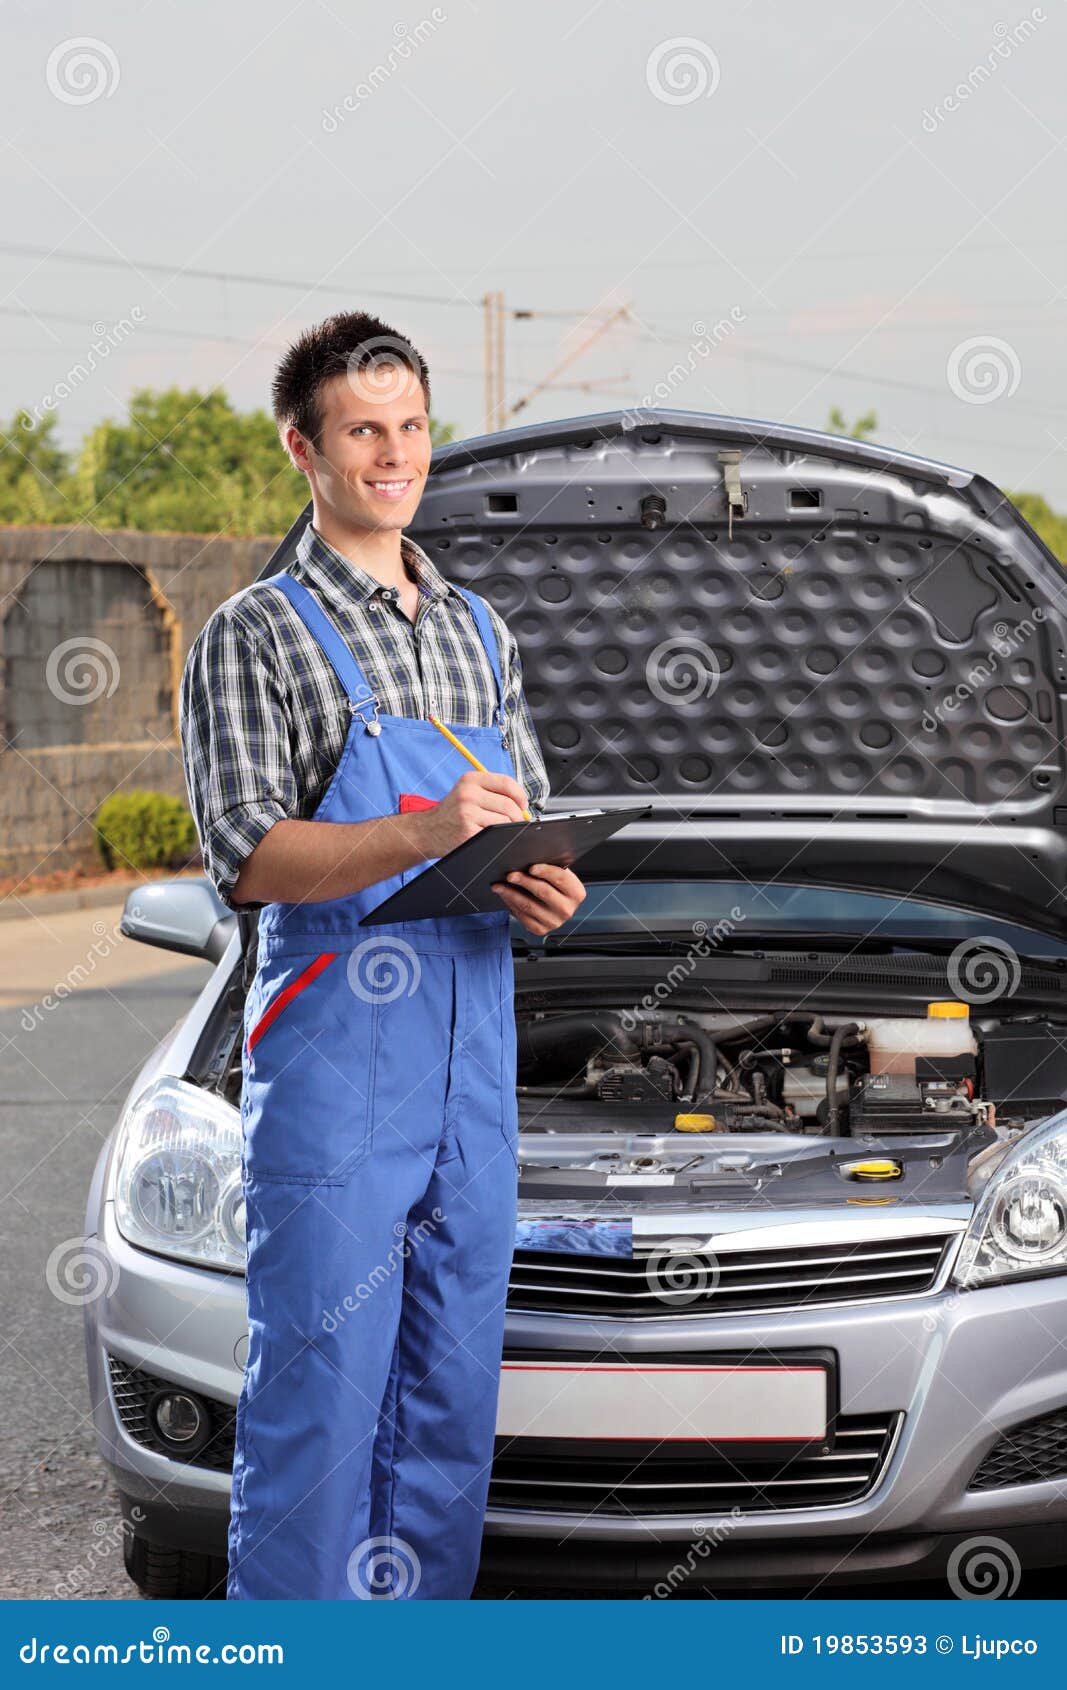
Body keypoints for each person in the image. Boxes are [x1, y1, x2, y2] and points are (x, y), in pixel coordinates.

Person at [178, 311, 585, 1600]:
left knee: (450, 1405)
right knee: (322, 1405)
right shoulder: (261, 632)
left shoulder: (479, 629)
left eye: (410, 427)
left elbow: (514, 812)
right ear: (305, 447)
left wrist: (540, 885)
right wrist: (413, 831)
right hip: (338, 1071)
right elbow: (243, 854)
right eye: (364, 431)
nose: (394, 453)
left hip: (473, 1070)